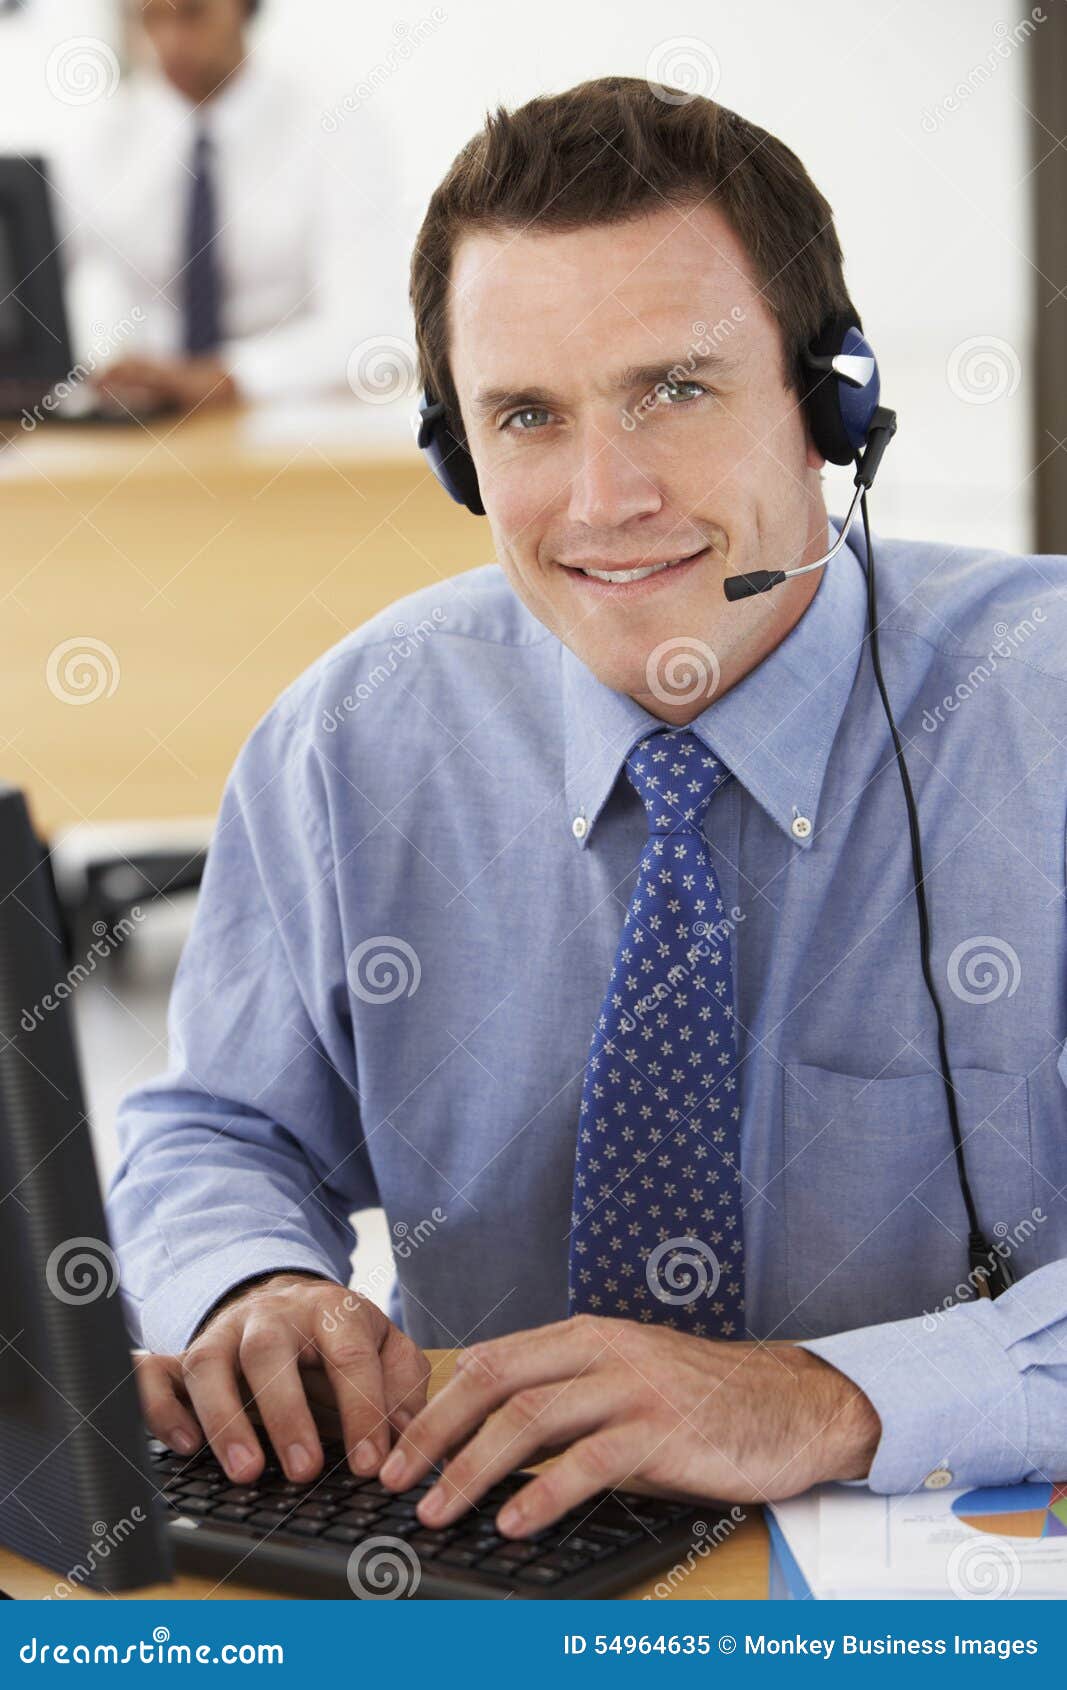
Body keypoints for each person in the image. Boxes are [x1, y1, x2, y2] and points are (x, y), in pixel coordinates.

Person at [111, 77, 1067, 1542]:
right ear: (454, 450)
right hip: (492, 1578)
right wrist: (256, 1287)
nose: (603, 496)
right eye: (527, 417)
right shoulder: (356, 737)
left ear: (831, 402)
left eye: (672, 390)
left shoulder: (1037, 709)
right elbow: (217, 1125)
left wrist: (818, 1394)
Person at [53, 0, 403, 413]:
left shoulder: (338, 131)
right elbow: (30, 292)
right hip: (150, 426)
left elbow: (369, 333)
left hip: (294, 419)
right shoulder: (102, 141)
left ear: (245, 9)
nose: (168, 42)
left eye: (192, 14)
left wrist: (225, 377)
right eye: (149, 18)